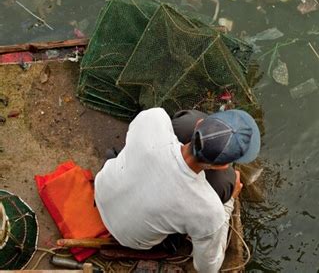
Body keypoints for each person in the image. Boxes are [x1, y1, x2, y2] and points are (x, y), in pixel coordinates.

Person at [94, 107, 260, 273]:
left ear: (199, 124)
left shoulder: (154, 117)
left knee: (183, 122)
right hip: (131, 239)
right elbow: (208, 268)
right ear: (221, 166)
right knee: (226, 184)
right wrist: (229, 202)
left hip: (101, 189)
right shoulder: (209, 211)